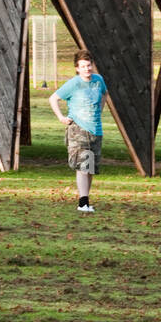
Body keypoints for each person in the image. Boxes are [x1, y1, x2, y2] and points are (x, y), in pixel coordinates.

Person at [49, 51, 108, 212]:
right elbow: (53, 98)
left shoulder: (98, 80)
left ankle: (86, 202)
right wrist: (61, 117)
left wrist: (99, 111)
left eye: (88, 65)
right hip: (78, 129)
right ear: (77, 68)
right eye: (83, 66)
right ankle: (82, 203)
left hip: (95, 129)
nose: (87, 69)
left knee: (90, 168)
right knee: (83, 166)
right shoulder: (73, 84)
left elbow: (104, 94)